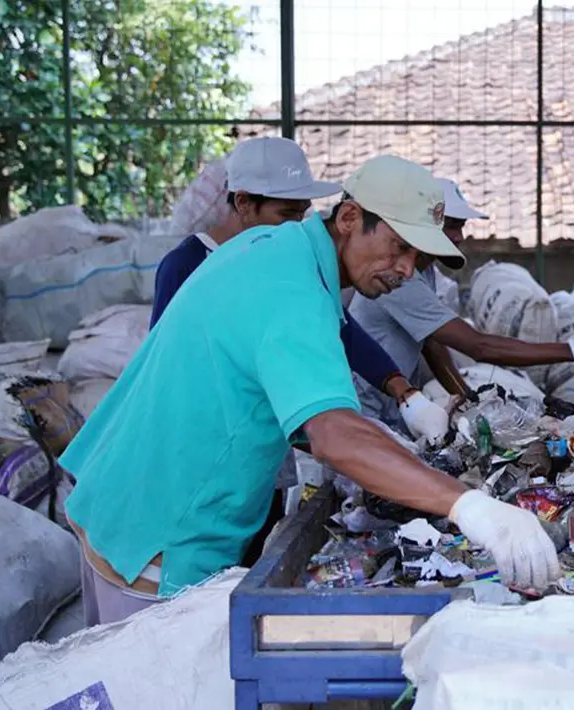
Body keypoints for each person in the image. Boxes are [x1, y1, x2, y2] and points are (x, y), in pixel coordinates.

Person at [62, 154, 560, 626]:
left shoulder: (281, 255)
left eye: (418, 256)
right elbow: (331, 436)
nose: (408, 269)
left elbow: (277, 395)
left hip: (122, 499)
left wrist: (392, 441)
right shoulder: (291, 289)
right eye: (400, 247)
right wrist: (469, 506)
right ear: (348, 218)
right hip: (159, 529)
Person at [148, 137, 451, 568]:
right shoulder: (215, 266)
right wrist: (463, 504)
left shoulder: (292, 266)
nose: (296, 223)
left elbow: (343, 333)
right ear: (244, 203)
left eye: (301, 213)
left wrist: (405, 393)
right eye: (285, 213)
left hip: (240, 467)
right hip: (186, 481)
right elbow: (178, 373)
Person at [347, 176, 574, 432]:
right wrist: (571, 349)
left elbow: (433, 343)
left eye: (461, 227)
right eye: (451, 225)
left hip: (390, 401)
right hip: (363, 404)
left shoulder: (424, 272)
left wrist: (464, 395)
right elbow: (478, 346)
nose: (460, 237)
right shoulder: (400, 279)